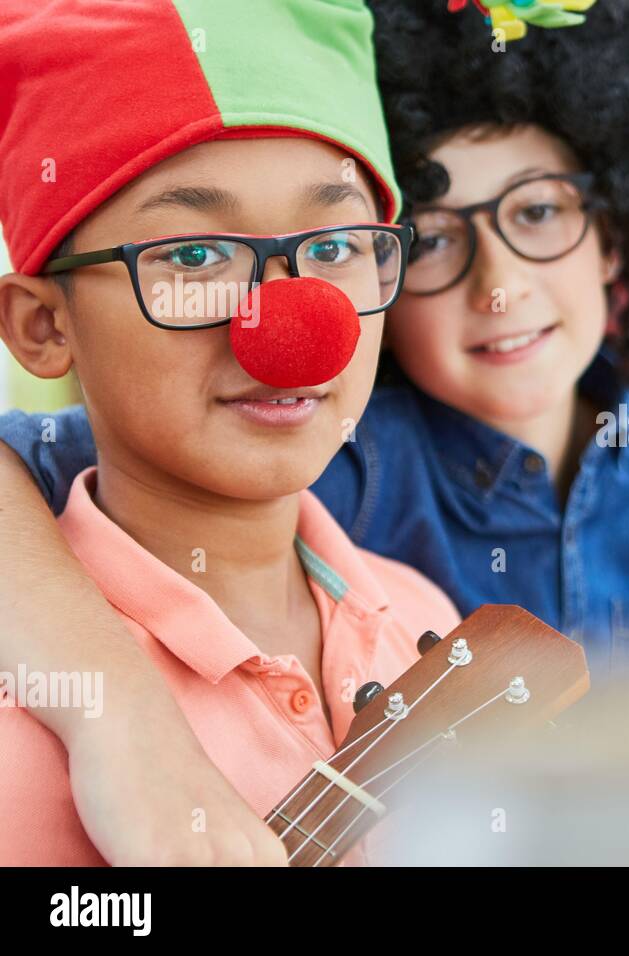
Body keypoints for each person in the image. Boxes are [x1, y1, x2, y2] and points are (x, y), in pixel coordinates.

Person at [0, 0, 459, 865]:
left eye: (332, 248)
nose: (295, 325)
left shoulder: (425, 615)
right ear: (42, 326)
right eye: (195, 256)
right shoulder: (21, 729)